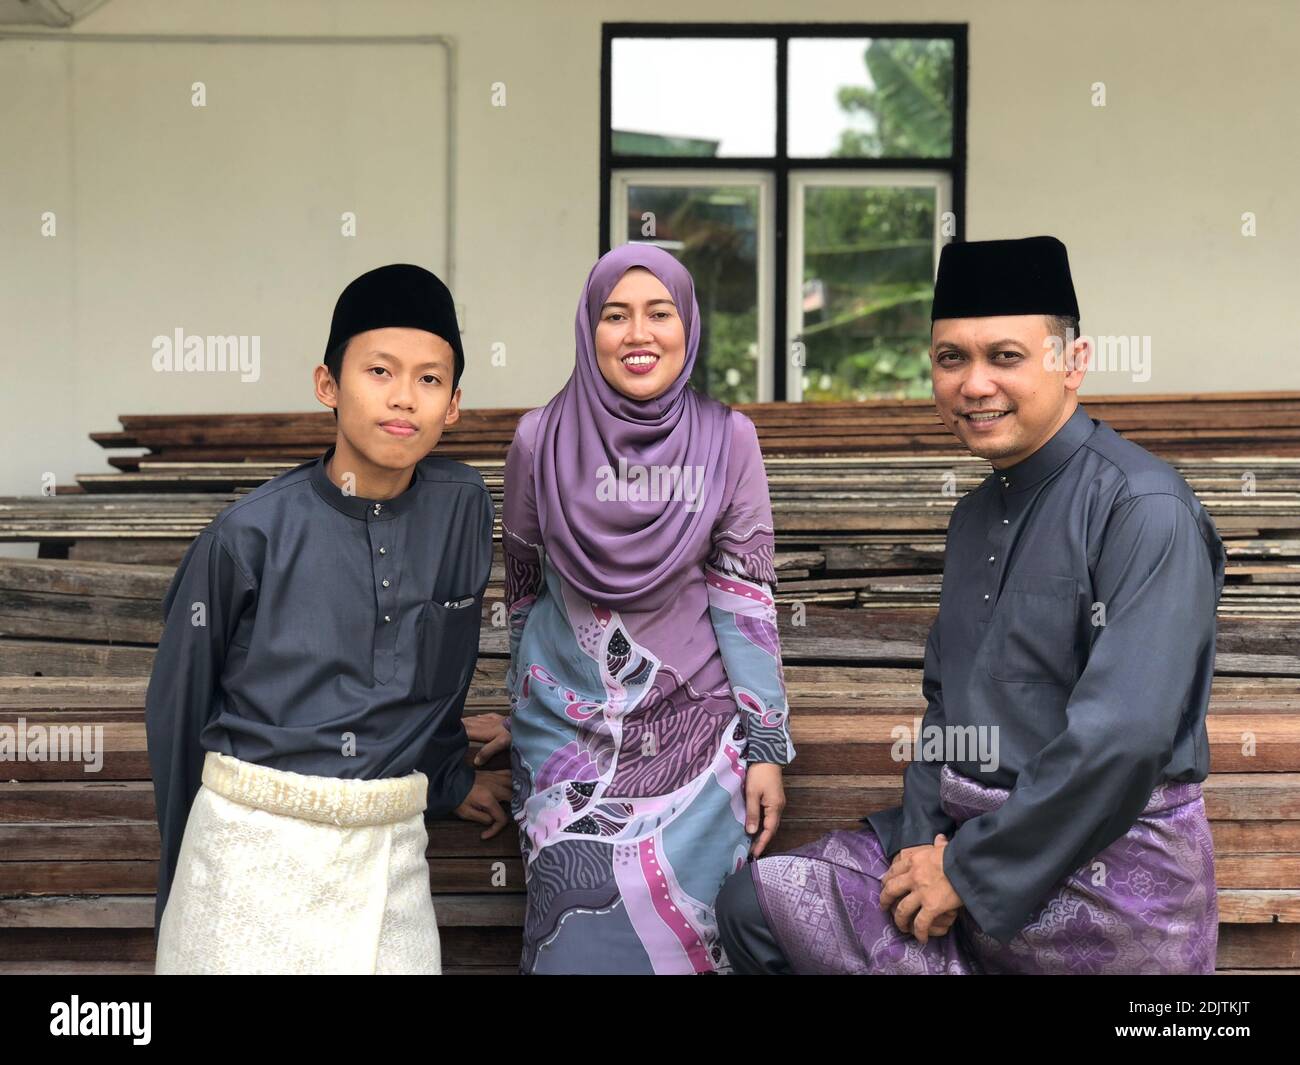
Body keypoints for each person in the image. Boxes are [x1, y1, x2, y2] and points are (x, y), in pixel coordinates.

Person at [715, 235, 1225, 975]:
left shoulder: (1143, 508)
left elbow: (1124, 738)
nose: (973, 382)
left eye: (1005, 356)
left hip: (1106, 869)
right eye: (951, 357)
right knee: (756, 908)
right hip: (964, 830)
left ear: (1073, 363)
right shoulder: (977, 514)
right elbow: (948, 705)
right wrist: (924, 839)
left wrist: (968, 872)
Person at [144, 263, 510, 974]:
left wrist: (451, 779)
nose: (404, 397)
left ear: (455, 404)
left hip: (387, 860)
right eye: (379, 370)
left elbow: (442, 677)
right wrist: (183, 890)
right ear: (328, 385)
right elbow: (178, 718)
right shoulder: (245, 537)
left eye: (430, 379)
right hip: (250, 855)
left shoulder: (462, 507)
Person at [474, 243, 794, 974]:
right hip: (568, 748)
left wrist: (767, 746)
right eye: (616, 315)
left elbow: (744, 601)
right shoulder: (538, 440)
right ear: (589, 329)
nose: (638, 333)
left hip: (698, 746)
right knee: (574, 948)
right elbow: (525, 593)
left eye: (659, 313)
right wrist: (522, 706)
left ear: (689, 326)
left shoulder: (727, 439)